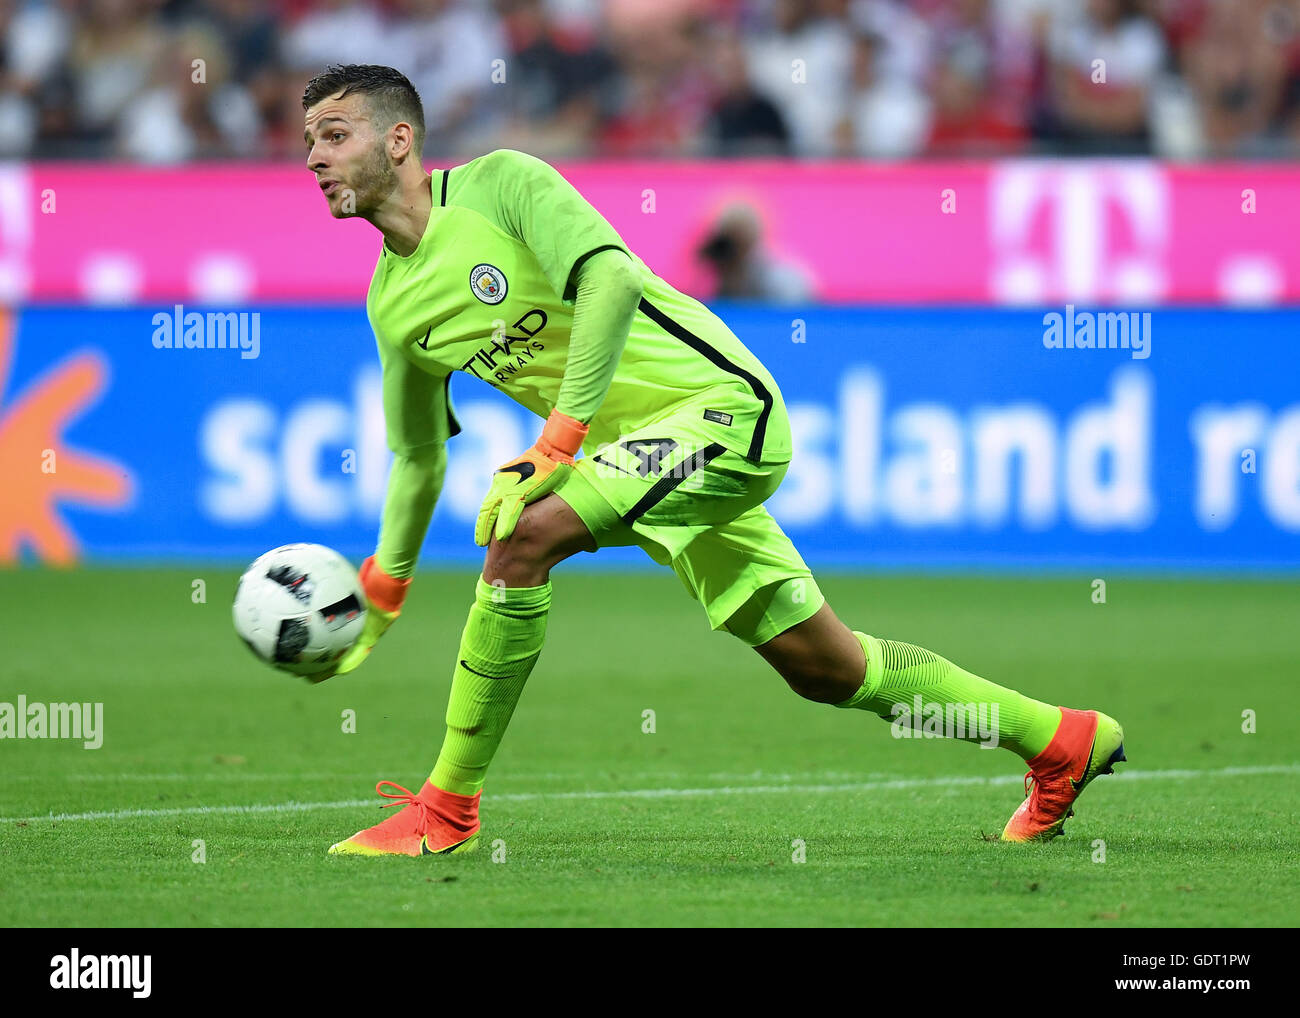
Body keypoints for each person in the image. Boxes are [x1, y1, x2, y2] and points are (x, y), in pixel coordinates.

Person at [300, 64, 1125, 856]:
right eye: (308, 141)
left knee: (523, 539)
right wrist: (387, 584)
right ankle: (1059, 743)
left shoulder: (499, 184)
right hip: (645, 459)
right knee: (827, 668)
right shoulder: (393, 302)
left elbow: (614, 281)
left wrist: (555, 443)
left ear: (400, 138)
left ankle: (445, 812)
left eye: (334, 134)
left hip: (720, 413)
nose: (314, 158)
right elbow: (416, 456)